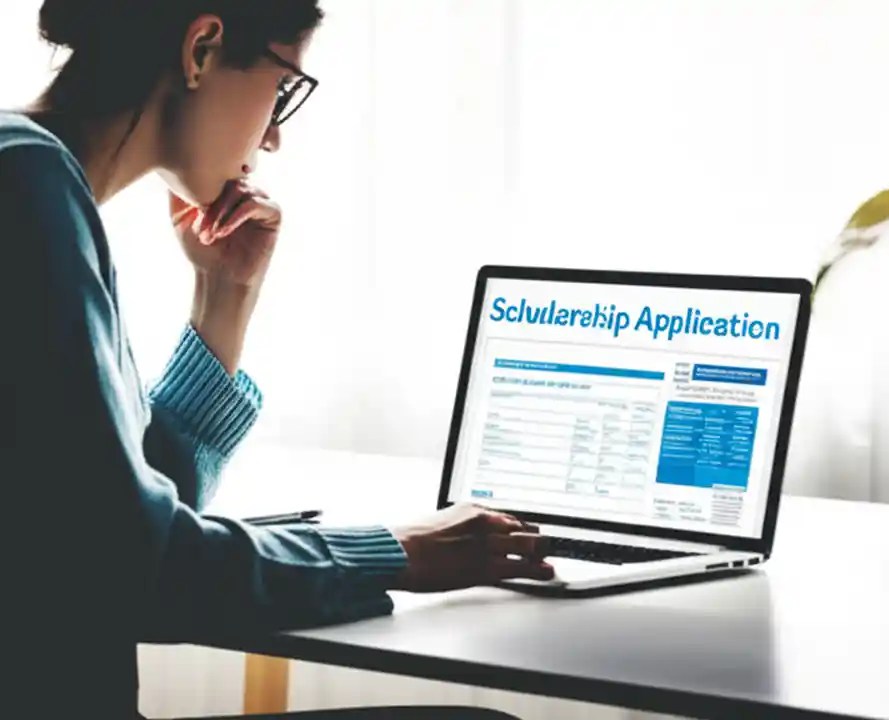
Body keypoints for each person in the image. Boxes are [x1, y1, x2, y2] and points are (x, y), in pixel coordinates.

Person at [1, 1, 556, 718]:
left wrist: (223, 299)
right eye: (284, 86)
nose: (274, 136)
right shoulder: (26, 193)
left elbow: (115, 518)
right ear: (200, 48)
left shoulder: (33, 178)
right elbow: (136, 567)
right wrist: (395, 552)